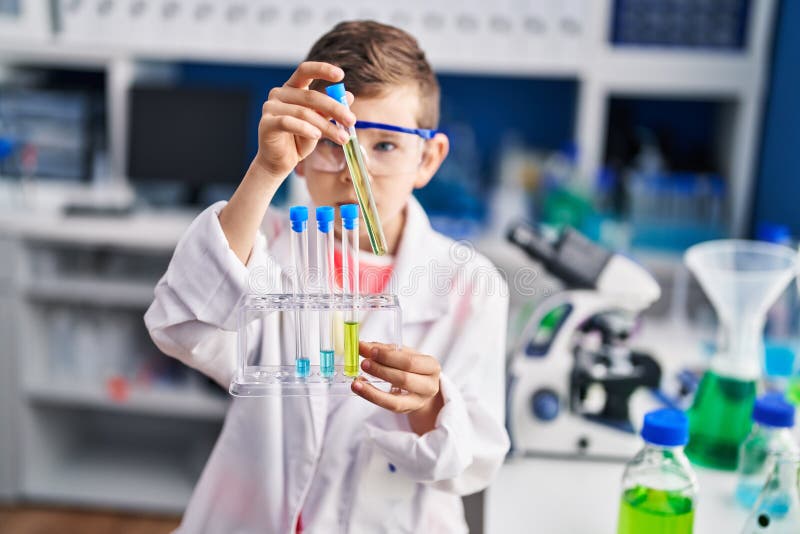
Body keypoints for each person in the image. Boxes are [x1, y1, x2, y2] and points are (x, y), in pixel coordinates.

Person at [145, 20, 510, 533]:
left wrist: (429, 406)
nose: (350, 171)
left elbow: (475, 460)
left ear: (427, 158)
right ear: (299, 143)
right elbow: (180, 327)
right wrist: (265, 171)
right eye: (333, 141)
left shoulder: (470, 285)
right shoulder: (262, 241)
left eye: (384, 146)